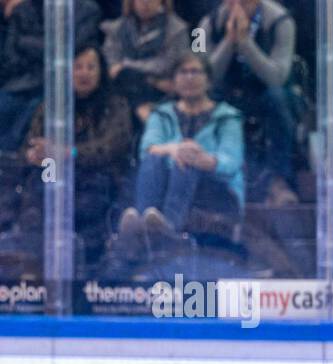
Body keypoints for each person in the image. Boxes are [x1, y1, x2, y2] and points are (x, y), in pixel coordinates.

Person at [1, 45, 131, 269]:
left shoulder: (115, 105)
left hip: (99, 178)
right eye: (78, 67)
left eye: (91, 67)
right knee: (35, 190)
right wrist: (33, 155)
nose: (84, 73)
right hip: (51, 175)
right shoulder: (51, 106)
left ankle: (86, 263)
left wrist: (67, 153)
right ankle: (30, 264)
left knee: (82, 200)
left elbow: (111, 148)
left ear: (101, 72)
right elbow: (31, 144)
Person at [113, 53, 244, 262]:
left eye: (195, 72)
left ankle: (166, 228)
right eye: (183, 72)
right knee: (154, 159)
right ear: (173, 81)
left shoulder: (227, 117)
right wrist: (174, 149)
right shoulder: (161, 114)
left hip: (215, 188)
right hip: (166, 184)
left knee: (186, 161)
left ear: (208, 80)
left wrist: (204, 159)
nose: (189, 78)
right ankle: (145, 219)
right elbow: (147, 148)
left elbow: (232, 161)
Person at [198, 0, 297, 205]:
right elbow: (203, 76)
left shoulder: (281, 21)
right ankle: (205, 180)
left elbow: (277, 76)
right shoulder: (208, 23)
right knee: (201, 98)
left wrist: (245, 43)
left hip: (264, 91)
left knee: (277, 98)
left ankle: (278, 180)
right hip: (228, 90)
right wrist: (228, 40)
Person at [0, 0, 104, 151]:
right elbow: (11, 54)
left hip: (59, 81)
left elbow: (72, 48)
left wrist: (28, 44)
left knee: (29, 116)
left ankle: (11, 160)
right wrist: (48, 48)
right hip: (20, 81)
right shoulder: (23, 9)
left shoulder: (88, 9)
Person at [102, 0, 191, 125]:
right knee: (124, 77)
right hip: (123, 91)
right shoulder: (116, 28)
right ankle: (143, 113)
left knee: (126, 73)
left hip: (164, 94)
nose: (146, 3)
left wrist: (126, 65)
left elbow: (166, 64)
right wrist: (153, 80)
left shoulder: (176, 29)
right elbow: (111, 64)